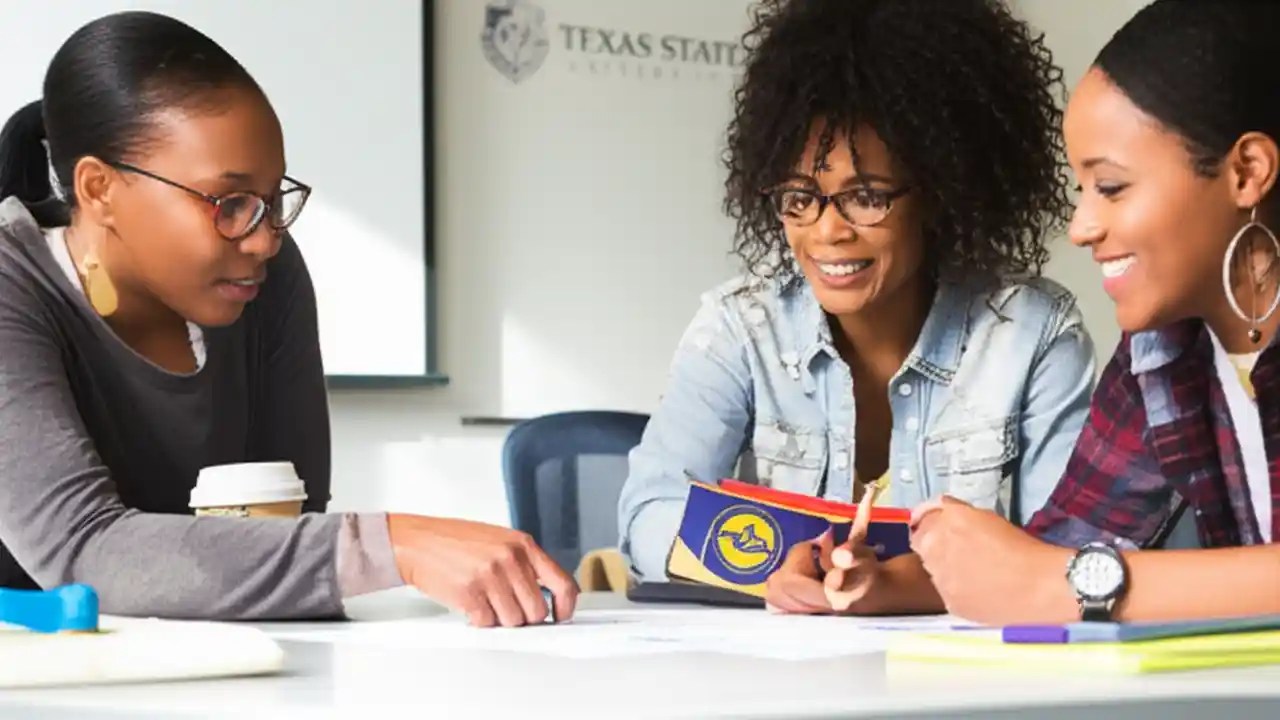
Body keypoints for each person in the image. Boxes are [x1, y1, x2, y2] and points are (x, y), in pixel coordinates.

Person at [0, 10, 576, 627]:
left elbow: (291, 516)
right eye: (231, 204)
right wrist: (395, 543)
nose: (265, 238)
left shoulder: (263, 279)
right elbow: (85, 552)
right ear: (98, 189)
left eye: (275, 201)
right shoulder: (15, 284)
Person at [617, 0, 1096, 616]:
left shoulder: (1033, 334)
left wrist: (905, 587)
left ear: (942, 192)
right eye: (800, 197)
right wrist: (766, 574)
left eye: (866, 197)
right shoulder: (741, 327)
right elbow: (649, 511)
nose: (827, 231)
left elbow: (1070, 555)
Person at [911, 0, 1280, 625]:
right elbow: (1065, 546)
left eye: (1110, 187)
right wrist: (888, 577)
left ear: (1246, 172)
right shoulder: (1165, 348)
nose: (1082, 227)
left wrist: (1070, 588)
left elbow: (1054, 578)